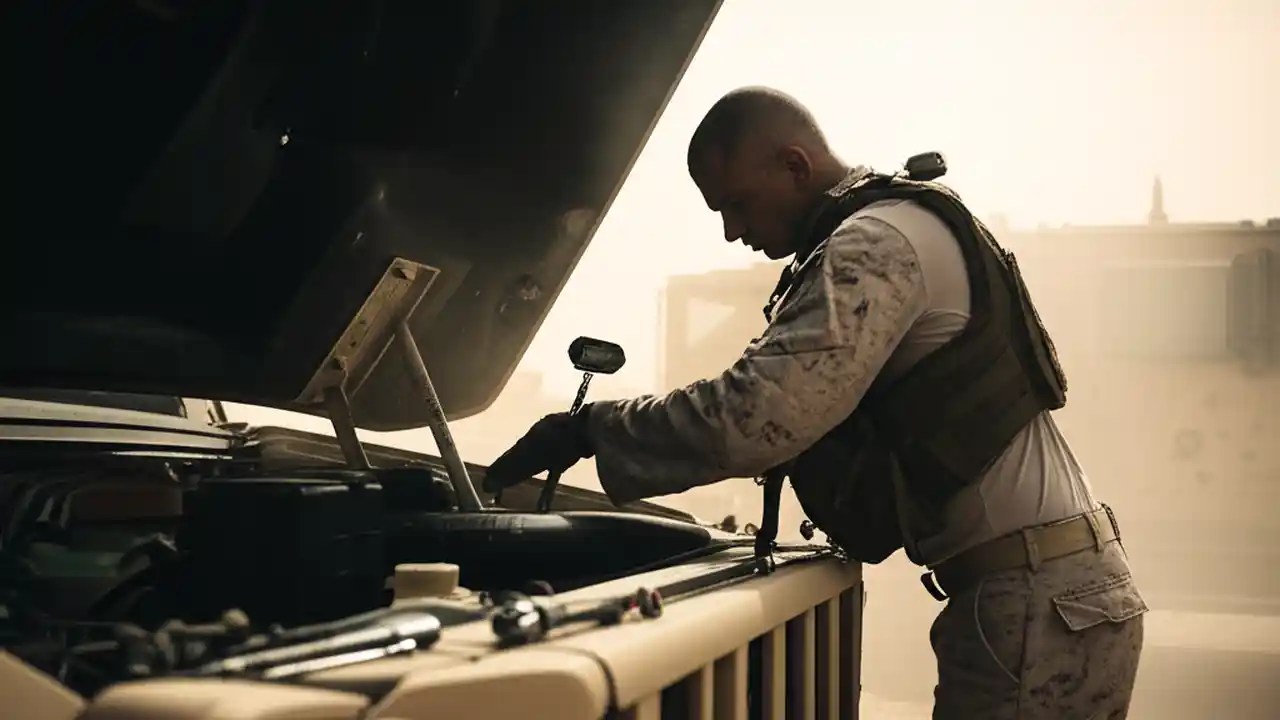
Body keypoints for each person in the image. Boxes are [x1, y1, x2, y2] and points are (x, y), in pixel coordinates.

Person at [482, 86, 1147, 719]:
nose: (732, 231)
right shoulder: (896, 223)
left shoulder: (874, 243)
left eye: (738, 204)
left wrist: (593, 429)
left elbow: (755, 418)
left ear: (795, 166)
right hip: (1047, 592)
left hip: (1034, 600)